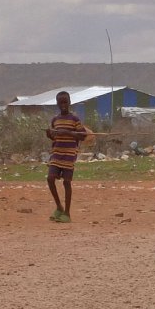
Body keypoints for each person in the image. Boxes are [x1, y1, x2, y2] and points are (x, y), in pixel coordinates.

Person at [45, 91, 92, 222]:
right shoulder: (55, 120)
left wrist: (68, 132)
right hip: (57, 153)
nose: (63, 105)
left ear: (70, 102)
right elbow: (53, 136)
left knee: (66, 182)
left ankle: (67, 213)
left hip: (69, 155)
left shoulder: (75, 119)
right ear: (57, 104)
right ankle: (59, 207)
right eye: (61, 103)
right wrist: (49, 134)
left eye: (65, 102)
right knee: (50, 178)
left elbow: (82, 135)